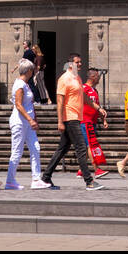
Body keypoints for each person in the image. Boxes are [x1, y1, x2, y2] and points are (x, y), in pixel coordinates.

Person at [40, 54, 103, 190]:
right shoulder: (64, 79)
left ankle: (45, 177)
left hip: (76, 117)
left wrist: (98, 108)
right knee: (81, 147)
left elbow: (84, 97)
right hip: (70, 117)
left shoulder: (78, 78)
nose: (80, 64)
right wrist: (60, 121)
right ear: (70, 64)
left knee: (62, 149)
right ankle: (89, 181)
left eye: (80, 62)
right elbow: (60, 102)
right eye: (77, 62)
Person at [6, 58, 47, 189]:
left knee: (35, 148)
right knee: (17, 151)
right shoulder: (19, 85)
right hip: (20, 122)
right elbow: (18, 104)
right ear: (29, 71)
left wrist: (33, 119)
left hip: (28, 122)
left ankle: (36, 179)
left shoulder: (25, 84)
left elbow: (27, 105)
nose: (34, 71)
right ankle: (10, 180)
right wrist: (30, 119)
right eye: (33, 69)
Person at [79, 67, 109, 179]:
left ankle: (81, 170)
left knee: (88, 145)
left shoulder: (95, 91)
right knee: (90, 145)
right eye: (97, 76)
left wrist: (103, 120)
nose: (99, 78)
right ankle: (96, 170)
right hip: (85, 121)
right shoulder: (84, 88)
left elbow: (98, 107)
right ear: (92, 77)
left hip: (93, 121)